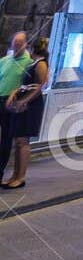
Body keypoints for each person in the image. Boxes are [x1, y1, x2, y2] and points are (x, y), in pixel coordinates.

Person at [1, 37, 49, 190]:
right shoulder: (34, 62)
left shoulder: (40, 63)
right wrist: (16, 93)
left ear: (32, 48)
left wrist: (24, 101)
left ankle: (20, 178)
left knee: (23, 142)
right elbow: (26, 85)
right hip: (24, 104)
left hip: (31, 106)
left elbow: (41, 85)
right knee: (19, 141)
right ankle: (14, 176)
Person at [0, 32, 35, 187]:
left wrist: (21, 98)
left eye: (19, 44)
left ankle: (8, 174)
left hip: (13, 103)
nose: (16, 47)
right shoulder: (4, 60)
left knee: (8, 139)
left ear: (26, 44)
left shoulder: (30, 62)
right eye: (14, 44)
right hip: (0, 99)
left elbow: (35, 84)